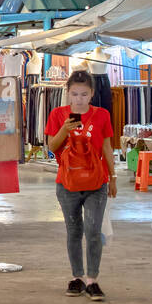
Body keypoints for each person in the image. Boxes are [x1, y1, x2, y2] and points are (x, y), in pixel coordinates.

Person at [44, 70, 116, 292]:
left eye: (84, 94)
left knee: (93, 231)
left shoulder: (102, 115)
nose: (79, 99)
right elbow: (51, 147)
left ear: (92, 93)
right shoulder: (58, 114)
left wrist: (113, 177)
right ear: (68, 93)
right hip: (67, 183)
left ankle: (93, 279)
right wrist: (64, 130)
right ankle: (77, 277)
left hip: (97, 182)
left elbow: (107, 147)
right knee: (73, 231)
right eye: (74, 94)